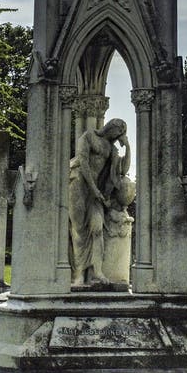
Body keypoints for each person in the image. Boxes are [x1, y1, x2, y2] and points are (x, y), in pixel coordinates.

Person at [69, 118, 130, 286]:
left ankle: (97, 272)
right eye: (118, 132)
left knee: (97, 228)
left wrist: (128, 146)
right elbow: (82, 162)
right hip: (79, 184)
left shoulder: (110, 148)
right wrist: (94, 189)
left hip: (95, 192)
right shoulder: (88, 136)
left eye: (121, 134)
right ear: (111, 127)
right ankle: (79, 274)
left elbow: (122, 170)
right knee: (78, 229)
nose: (118, 135)